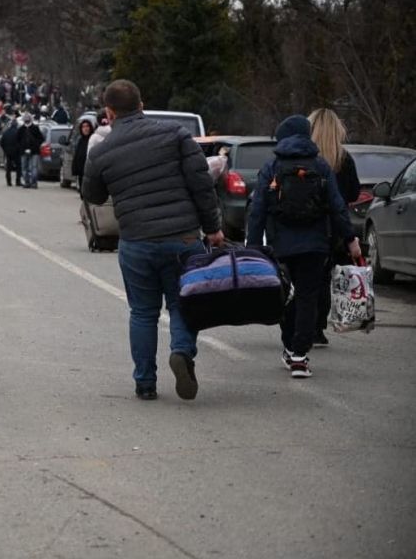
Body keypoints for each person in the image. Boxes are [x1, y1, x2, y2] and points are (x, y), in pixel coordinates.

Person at [82, 80, 224, 401]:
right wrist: (213, 228)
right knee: (182, 303)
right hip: (183, 238)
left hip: (136, 241)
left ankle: (145, 383)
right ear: (141, 104)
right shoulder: (176, 135)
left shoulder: (102, 150)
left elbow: (93, 194)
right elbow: (201, 183)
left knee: (143, 312)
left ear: (109, 112)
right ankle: (182, 352)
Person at [246, 115, 360, 379]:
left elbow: (258, 210)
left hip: (281, 246)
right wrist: (351, 238)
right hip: (315, 245)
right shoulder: (320, 166)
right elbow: (337, 207)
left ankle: (289, 345)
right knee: (308, 298)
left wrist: (253, 248)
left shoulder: (272, 166)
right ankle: (299, 355)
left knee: (286, 295)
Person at [308, 108, 361, 346]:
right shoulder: (343, 159)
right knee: (326, 278)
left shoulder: (306, 158)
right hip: (336, 228)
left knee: (308, 277)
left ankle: (304, 324)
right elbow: (354, 192)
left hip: (308, 224)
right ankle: (318, 326)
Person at [18, 113, 43, 189]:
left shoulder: (34, 128)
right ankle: (28, 182)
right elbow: (17, 141)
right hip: (24, 151)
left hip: (34, 151)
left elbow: (41, 139)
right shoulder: (21, 129)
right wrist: (22, 148)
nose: (26, 120)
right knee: (27, 168)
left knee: (32, 167)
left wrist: (33, 147)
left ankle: (32, 182)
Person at [70, 118, 94, 189]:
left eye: (87, 126)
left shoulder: (93, 139)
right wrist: (75, 168)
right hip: (81, 171)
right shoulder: (80, 140)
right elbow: (77, 155)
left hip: (90, 171)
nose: (85, 129)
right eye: (83, 127)